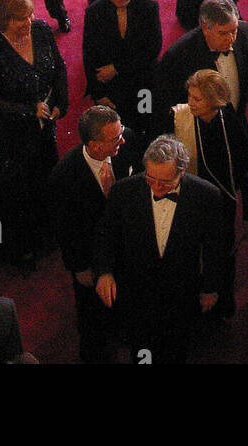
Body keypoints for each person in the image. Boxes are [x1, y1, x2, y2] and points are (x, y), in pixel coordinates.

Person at [94, 135, 226, 363]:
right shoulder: (124, 191)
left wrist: (210, 288)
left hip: (181, 294)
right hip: (137, 293)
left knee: (177, 351)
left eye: (164, 183)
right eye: (150, 179)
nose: (155, 189)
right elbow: (106, 235)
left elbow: (215, 247)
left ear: (181, 172)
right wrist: (104, 271)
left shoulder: (206, 195)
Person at [0, 0, 67, 266]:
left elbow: (60, 69)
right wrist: (29, 112)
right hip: (11, 137)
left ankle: (46, 236)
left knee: (46, 177)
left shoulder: (41, 31)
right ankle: (18, 248)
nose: (26, 22)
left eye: (29, 15)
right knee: (17, 189)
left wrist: (61, 102)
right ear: (3, 20)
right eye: (19, 19)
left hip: (44, 128)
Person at [48, 105, 134, 363]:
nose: (123, 139)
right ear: (95, 145)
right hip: (90, 260)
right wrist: (80, 267)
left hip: (125, 249)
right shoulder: (63, 177)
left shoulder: (127, 148)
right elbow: (64, 230)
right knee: (92, 317)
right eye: (116, 138)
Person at [171, 70, 248, 316]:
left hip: (223, 205)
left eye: (197, 99)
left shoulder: (233, 125)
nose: (190, 103)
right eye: (190, 96)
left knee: (222, 256)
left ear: (215, 102)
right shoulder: (179, 119)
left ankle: (222, 304)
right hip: (189, 203)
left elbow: (245, 173)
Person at [155, 0, 248, 157]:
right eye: (223, 33)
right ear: (205, 28)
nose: (231, 39)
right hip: (201, 138)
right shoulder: (178, 55)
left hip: (239, 128)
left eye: (234, 30)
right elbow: (168, 105)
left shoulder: (246, 33)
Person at [81, 0, 161, 140]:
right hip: (112, 89)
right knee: (116, 133)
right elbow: (89, 54)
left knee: (146, 124)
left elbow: (152, 50)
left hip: (143, 83)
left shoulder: (149, 7)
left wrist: (117, 68)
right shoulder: (94, 12)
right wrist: (97, 93)